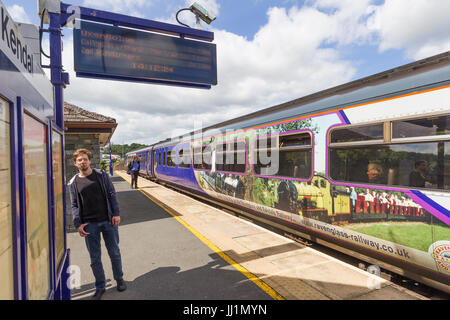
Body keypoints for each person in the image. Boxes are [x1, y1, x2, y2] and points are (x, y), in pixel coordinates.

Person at [68, 148, 126, 300]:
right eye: (79, 160)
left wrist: (116, 213)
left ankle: (119, 279)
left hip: (108, 221)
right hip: (89, 225)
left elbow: (112, 194)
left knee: (114, 252)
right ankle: (100, 286)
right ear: (75, 163)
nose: (83, 162)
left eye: (85, 159)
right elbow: (74, 205)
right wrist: (78, 224)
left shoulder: (101, 175)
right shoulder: (73, 183)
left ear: (89, 160)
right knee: (95, 258)